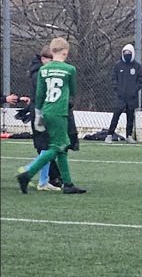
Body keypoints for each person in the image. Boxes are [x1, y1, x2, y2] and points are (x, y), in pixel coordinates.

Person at [16, 37, 87, 194]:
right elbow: (73, 92)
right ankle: (27, 174)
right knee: (57, 146)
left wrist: (39, 114)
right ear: (65, 52)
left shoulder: (43, 70)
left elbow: (40, 94)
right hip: (60, 111)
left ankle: (67, 184)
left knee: (60, 147)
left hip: (46, 110)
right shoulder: (70, 69)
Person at [10, 47, 61, 191]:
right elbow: (41, 95)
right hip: (41, 113)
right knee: (48, 147)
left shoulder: (39, 72)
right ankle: (28, 171)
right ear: (44, 59)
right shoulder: (40, 73)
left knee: (48, 147)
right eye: (51, 60)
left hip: (42, 112)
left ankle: (43, 180)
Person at [106, 42, 142, 143]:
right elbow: (114, 78)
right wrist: (117, 89)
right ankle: (109, 134)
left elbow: (140, 80)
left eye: (129, 53)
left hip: (132, 97)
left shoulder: (137, 66)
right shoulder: (118, 65)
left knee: (130, 116)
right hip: (120, 96)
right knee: (116, 115)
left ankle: (129, 135)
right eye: (125, 52)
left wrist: (134, 91)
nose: (127, 54)